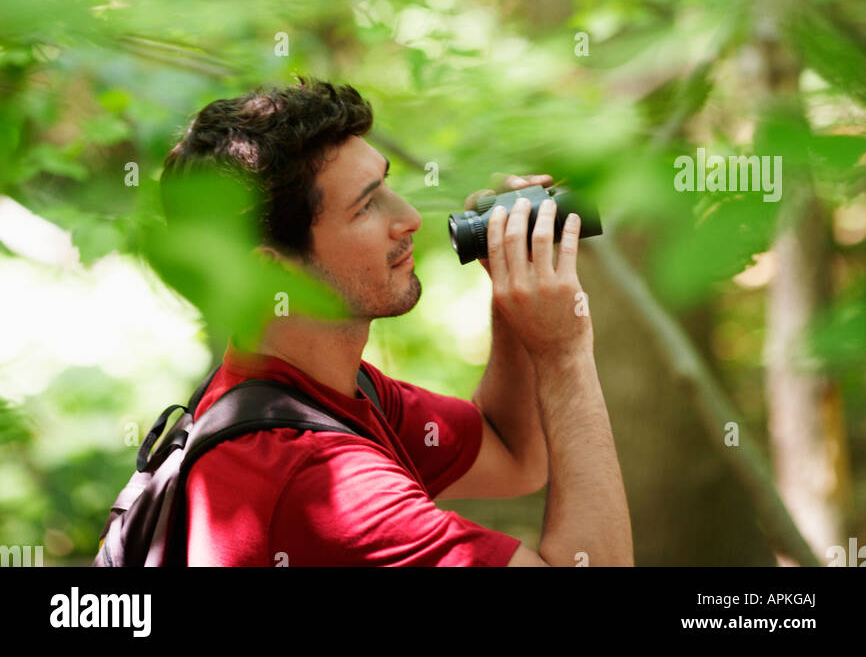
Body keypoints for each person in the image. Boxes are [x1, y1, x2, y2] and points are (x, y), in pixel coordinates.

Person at [159, 78, 633, 567]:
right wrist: (564, 352)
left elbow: (513, 453)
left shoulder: (315, 392)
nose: (409, 217)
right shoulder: (322, 483)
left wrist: (513, 292)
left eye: (386, 184)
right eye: (366, 205)